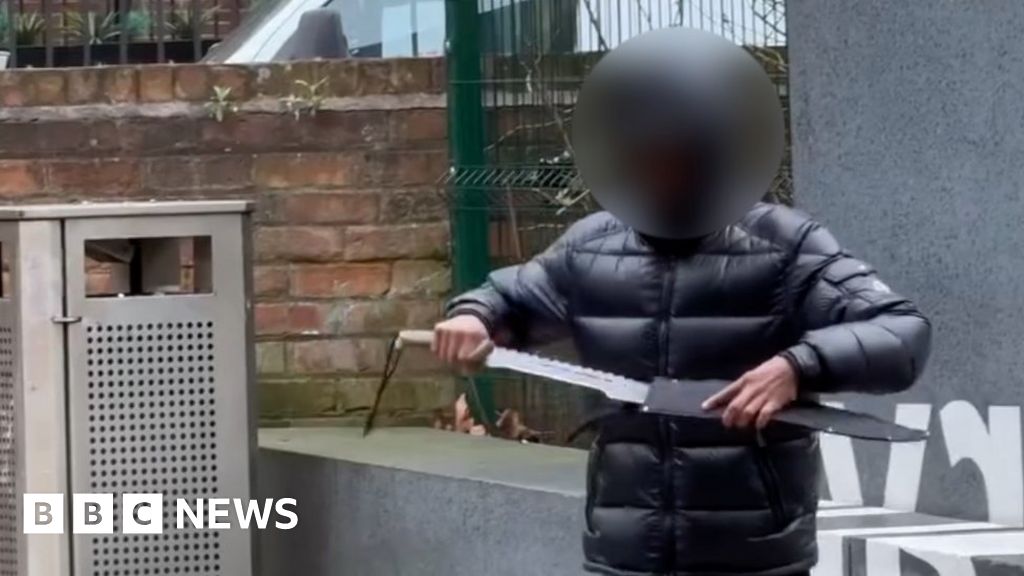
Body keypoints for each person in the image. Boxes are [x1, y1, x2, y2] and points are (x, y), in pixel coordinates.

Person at [430, 28, 931, 576]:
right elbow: (508, 297)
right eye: (648, 156)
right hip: (625, 552)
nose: (663, 172)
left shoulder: (787, 246)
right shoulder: (589, 247)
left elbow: (901, 334)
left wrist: (797, 365)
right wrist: (473, 316)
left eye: (679, 156)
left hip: (753, 556)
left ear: (715, 153)